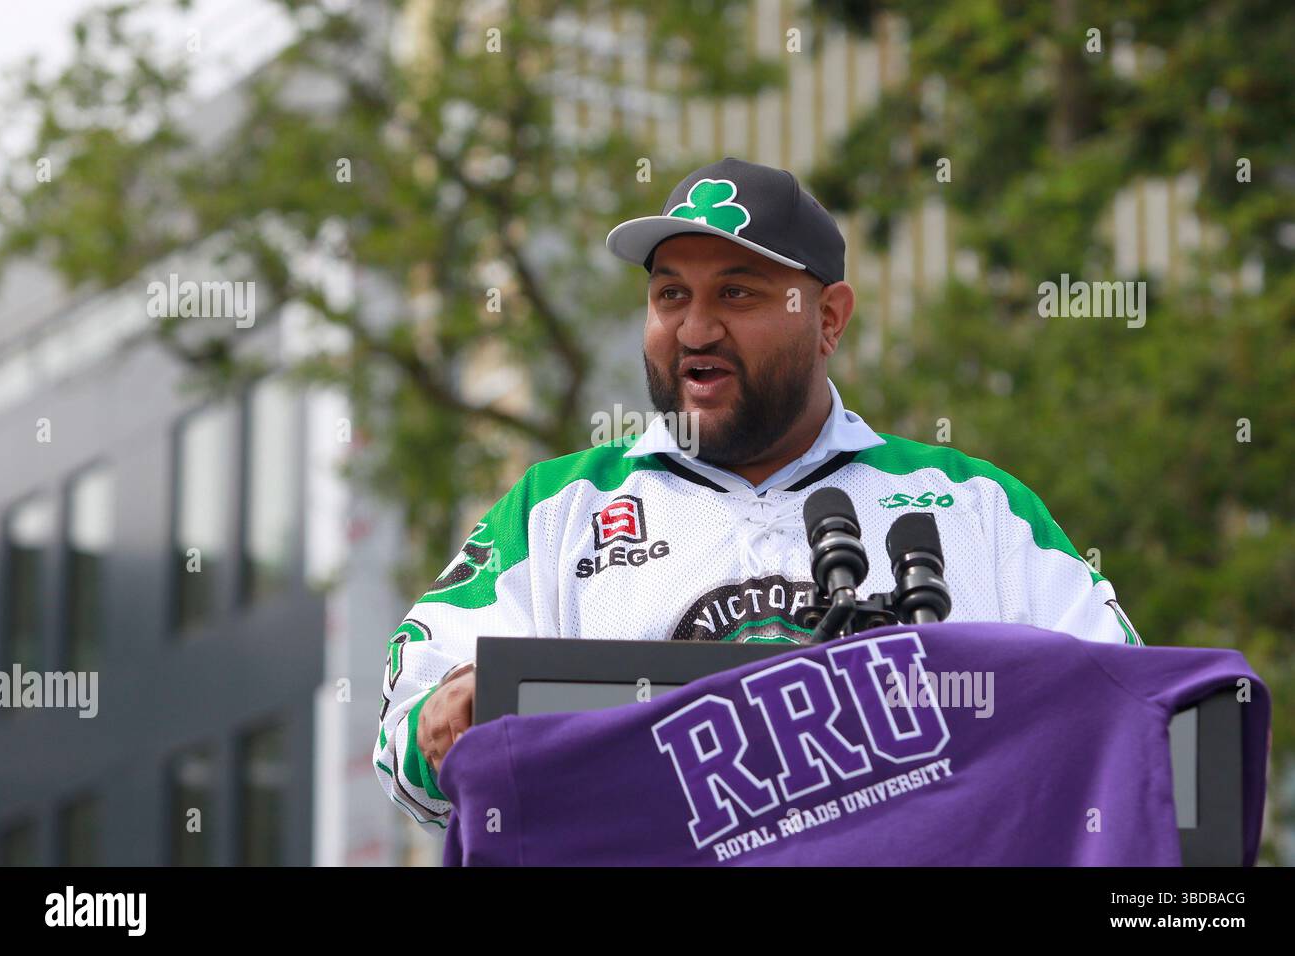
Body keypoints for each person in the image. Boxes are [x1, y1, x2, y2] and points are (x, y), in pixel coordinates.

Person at [373, 157, 1143, 828]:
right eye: (671, 296)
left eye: (737, 294)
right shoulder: (555, 510)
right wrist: (440, 727)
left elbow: (1135, 719)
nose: (696, 330)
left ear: (828, 319)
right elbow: (406, 741)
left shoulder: (978, 507)